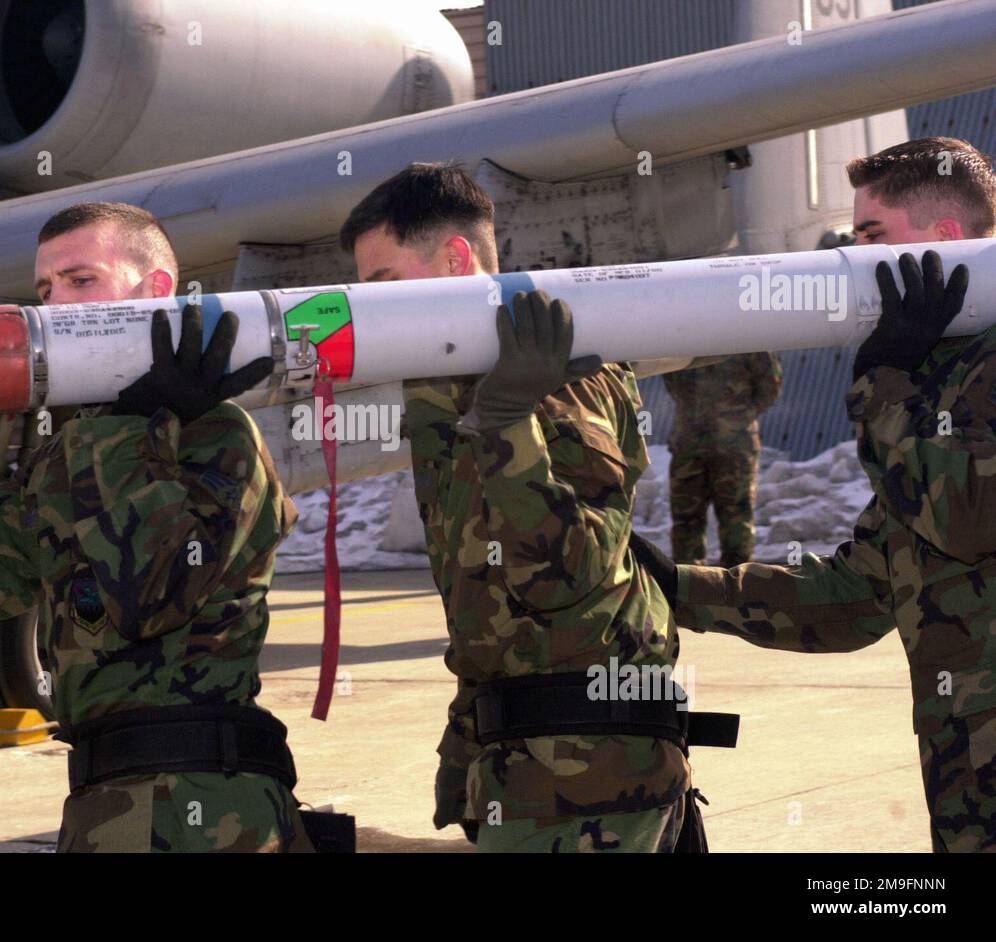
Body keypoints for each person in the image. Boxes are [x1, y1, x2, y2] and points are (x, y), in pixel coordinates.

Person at [0, 201, 314, 852]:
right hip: (104, 806)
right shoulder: (74, 450)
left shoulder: (217, 434)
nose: (53, 308)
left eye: (82, 281)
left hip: (210, 811)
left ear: (155, 291)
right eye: (44, 290)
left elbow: (148, 595)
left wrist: (124, 426)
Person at [632, 137, 996, 852]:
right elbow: (857, 596)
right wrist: (681, 586)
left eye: (871, 236)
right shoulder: (936, 380)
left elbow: (968, 514)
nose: (853, 256)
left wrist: (883, 382)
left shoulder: (934, 380)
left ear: (946, 242)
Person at [340, 163, 712, 852]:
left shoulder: (560, 376)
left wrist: (508, 416)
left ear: (455, 260)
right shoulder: (448, 375)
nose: (370, 307)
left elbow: (567, 570)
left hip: (588, 773)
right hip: (520, 755)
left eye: (382, 283)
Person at [664, 352, 783, 566]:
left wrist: (737, 416)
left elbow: (770, 386)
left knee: (736, 516)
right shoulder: (684, 334)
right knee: (685, 519)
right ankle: (688, 587)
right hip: (689, 443)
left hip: (733, 448)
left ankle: (737, 589)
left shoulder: (747, 335)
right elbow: (670, 377)